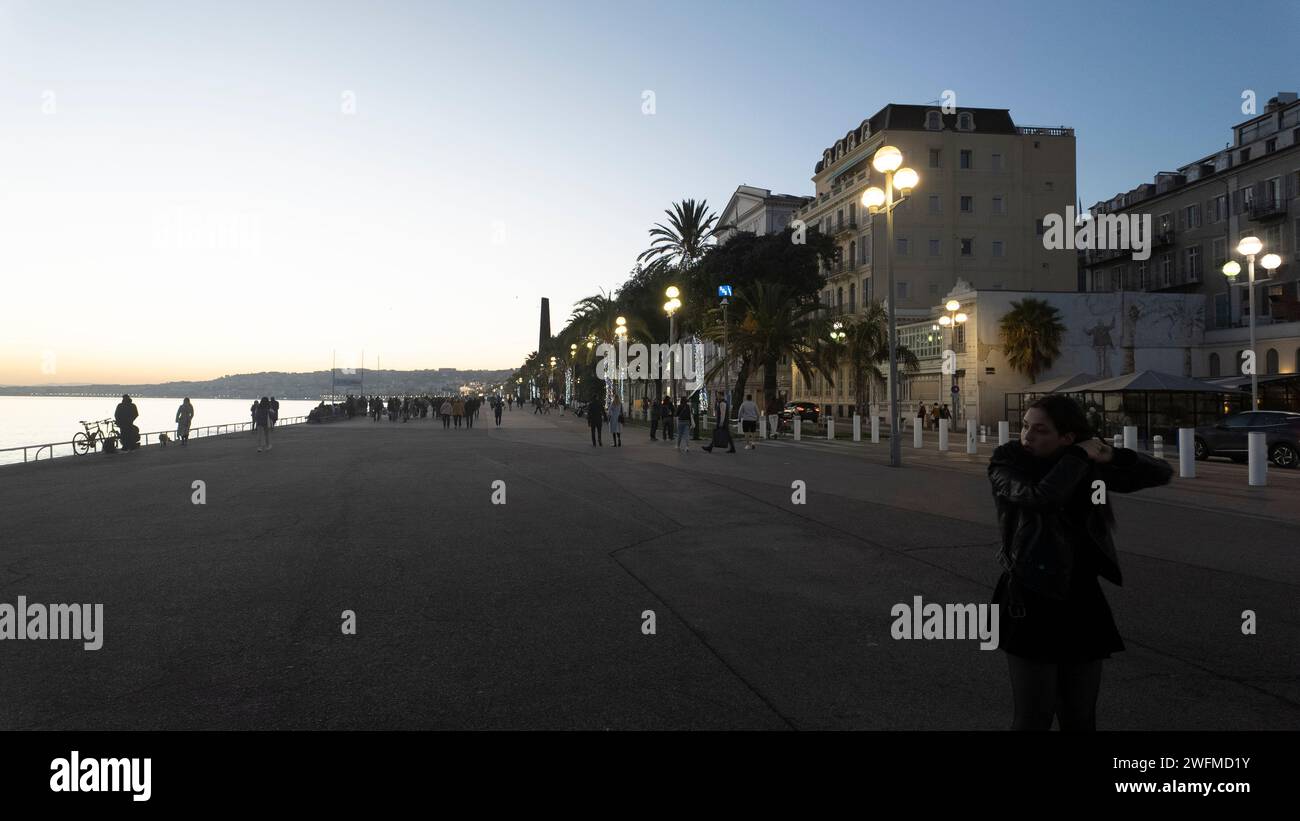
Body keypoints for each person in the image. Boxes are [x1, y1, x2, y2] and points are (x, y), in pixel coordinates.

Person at [988, 395, 1172, 731]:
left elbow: (1161, 473)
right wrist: (1076, 456)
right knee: (1034, 719)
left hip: (1081, 600)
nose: (1027, 436)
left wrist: (1111, 454)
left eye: (1040, 430)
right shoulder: (1008, 461)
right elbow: (1040, 497)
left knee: (1080, 717)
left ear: (1067, 436)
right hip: (1030, 597)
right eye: (1025, 426)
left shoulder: (1085, 464)